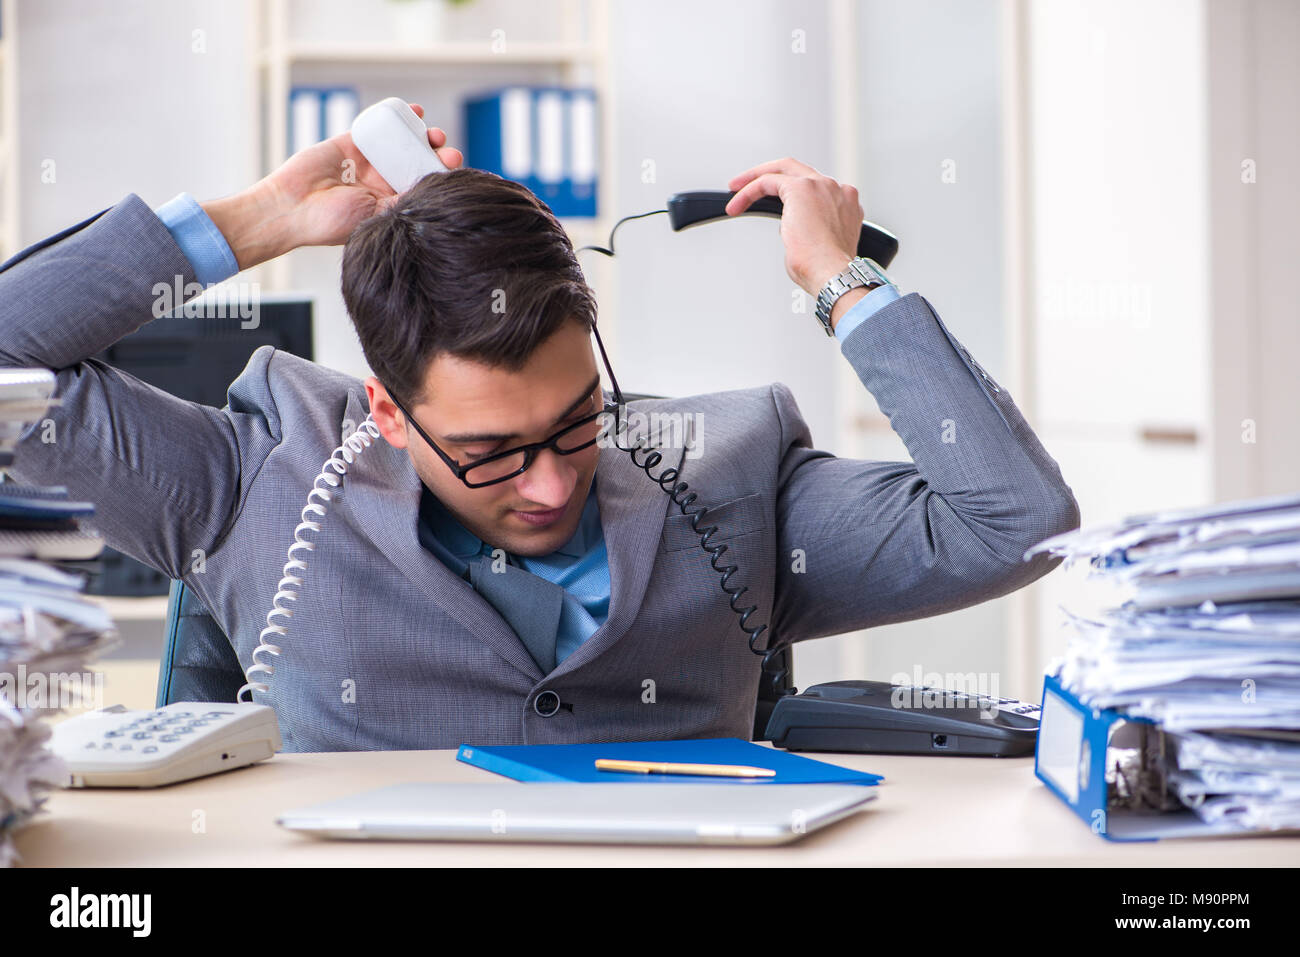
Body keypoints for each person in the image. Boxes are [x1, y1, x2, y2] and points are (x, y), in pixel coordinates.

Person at [0, 104, 1079, 752]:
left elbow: (1018, 522)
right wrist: (259, 222)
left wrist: (842, 283)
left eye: (573, 425)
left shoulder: (739, 474)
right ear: (385, 408)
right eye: (487, 452)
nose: (551, 486)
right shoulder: (252, 475)